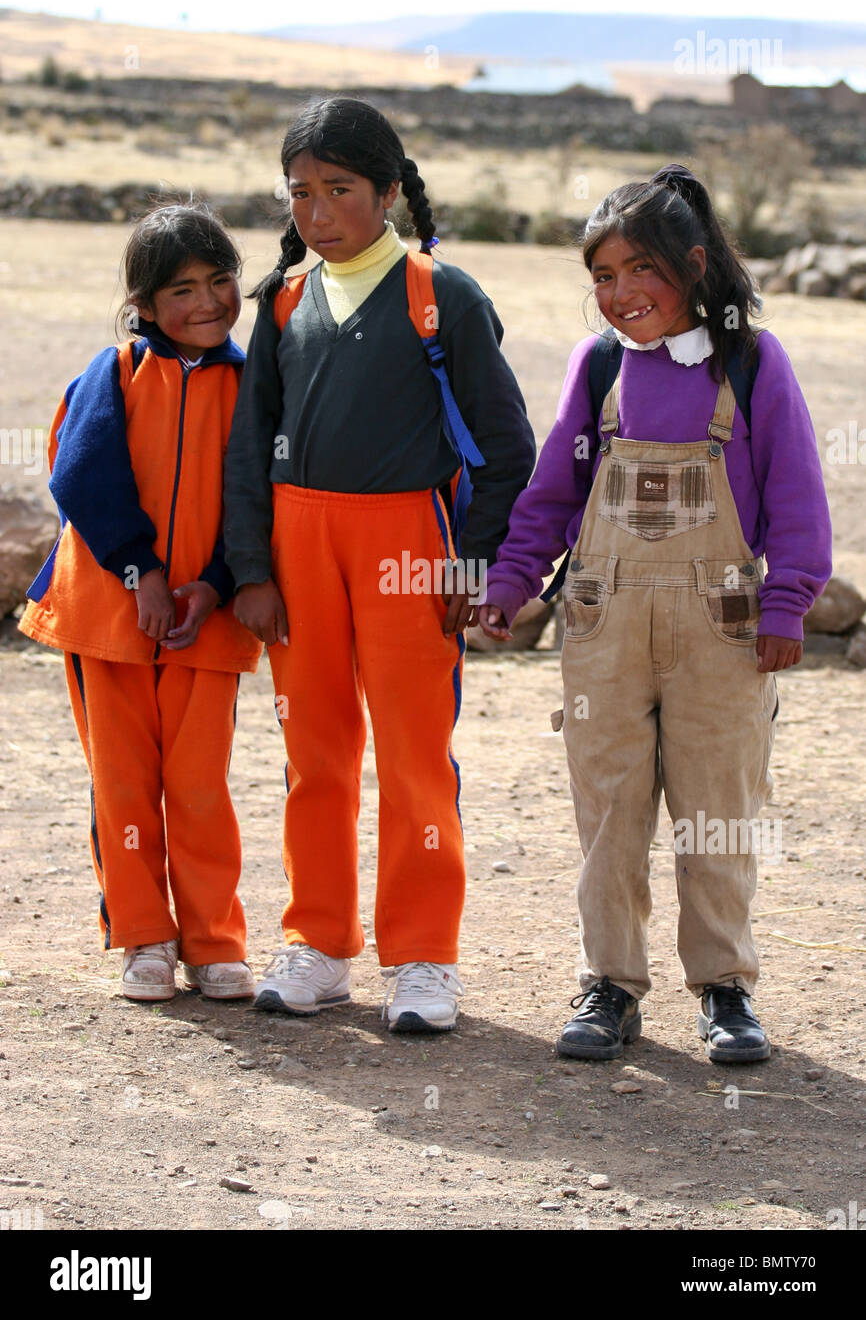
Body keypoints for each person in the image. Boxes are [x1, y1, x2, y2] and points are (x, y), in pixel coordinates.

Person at [479, 164, 832, 1063]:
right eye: (603, 275)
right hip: (603, 625)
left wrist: (786, 602)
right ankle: (610, 985)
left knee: (718, 806)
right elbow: (553, 492)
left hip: (725, 627)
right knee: (609, 808)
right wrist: (512, 582)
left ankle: (724, 988)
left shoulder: (751, 361)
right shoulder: (597, 367)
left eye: (643, 269)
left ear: (695, 263)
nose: (622, 292)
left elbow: (796, 495)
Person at [223, 96, 535, 1032]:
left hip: (411, 548)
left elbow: (507, 444)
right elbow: (249, 446)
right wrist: (251, 567)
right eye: (300, 193)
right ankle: (316, 944)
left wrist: (470, 562)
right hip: (298, 546)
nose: (316, 213)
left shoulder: (444, 295)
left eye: (339, 190)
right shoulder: (281, 301)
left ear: (390, 192)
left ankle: (423, 958)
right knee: (314, 754)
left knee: (412, 758)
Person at [20, 203, 262, 1002]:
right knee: (122, 785)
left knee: (199, 784)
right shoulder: (115, 373)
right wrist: (143, 574)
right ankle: (143, 938)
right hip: (110, 621)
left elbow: (252, 499)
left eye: (220, 281)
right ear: (144, 307)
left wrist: (216, 586)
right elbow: (82, 476)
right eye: (182, 289)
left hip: (206, 621)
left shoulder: (250, 384)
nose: (206, 303)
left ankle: (214, 941)